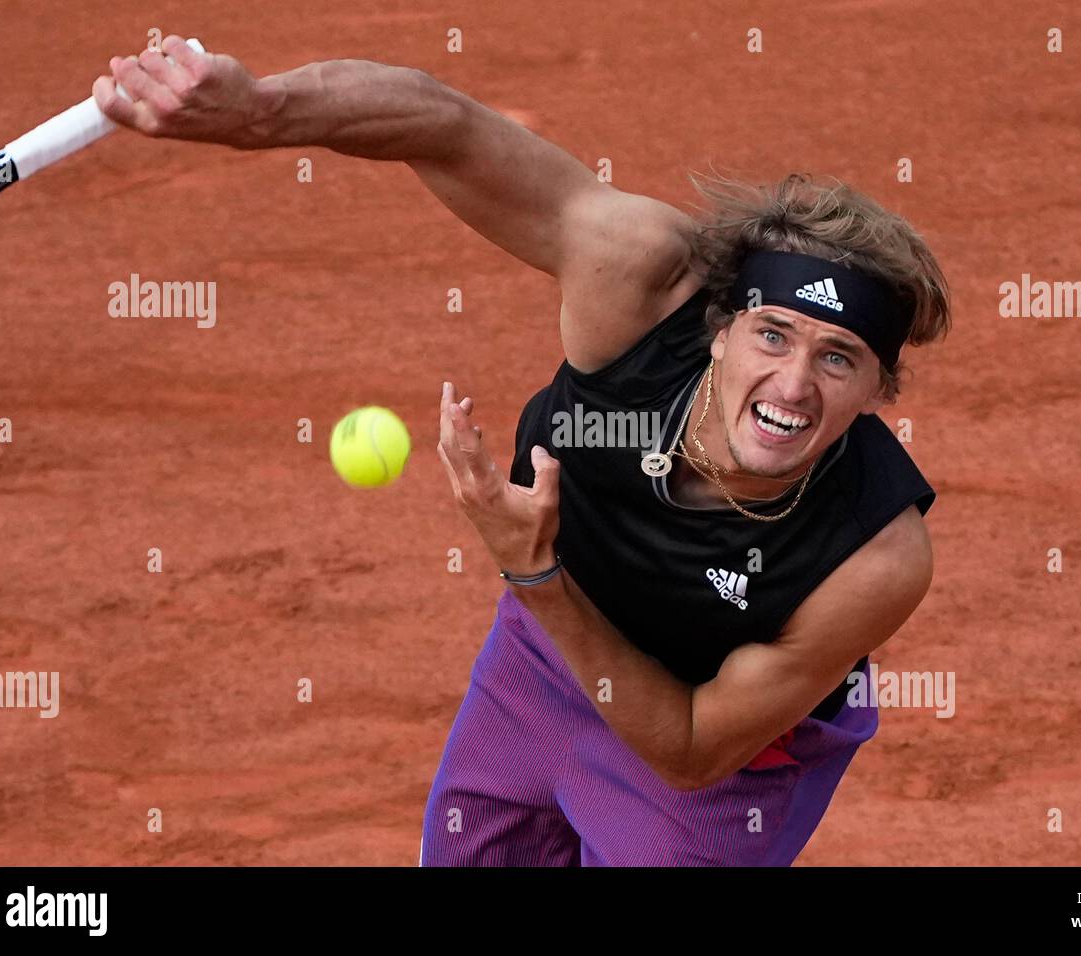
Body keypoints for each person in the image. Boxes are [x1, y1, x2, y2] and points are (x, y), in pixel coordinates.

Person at [95, 36, 952, 866]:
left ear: (878, 390)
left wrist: (535, 572)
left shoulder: (876, 552)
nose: (794, 384)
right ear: (722, 330)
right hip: (541, 662)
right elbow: (447, 126)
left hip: (715, 760)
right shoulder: (640, 282)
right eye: (774, 335)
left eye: (839, 358)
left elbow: (694, 748)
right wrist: (259, 112)